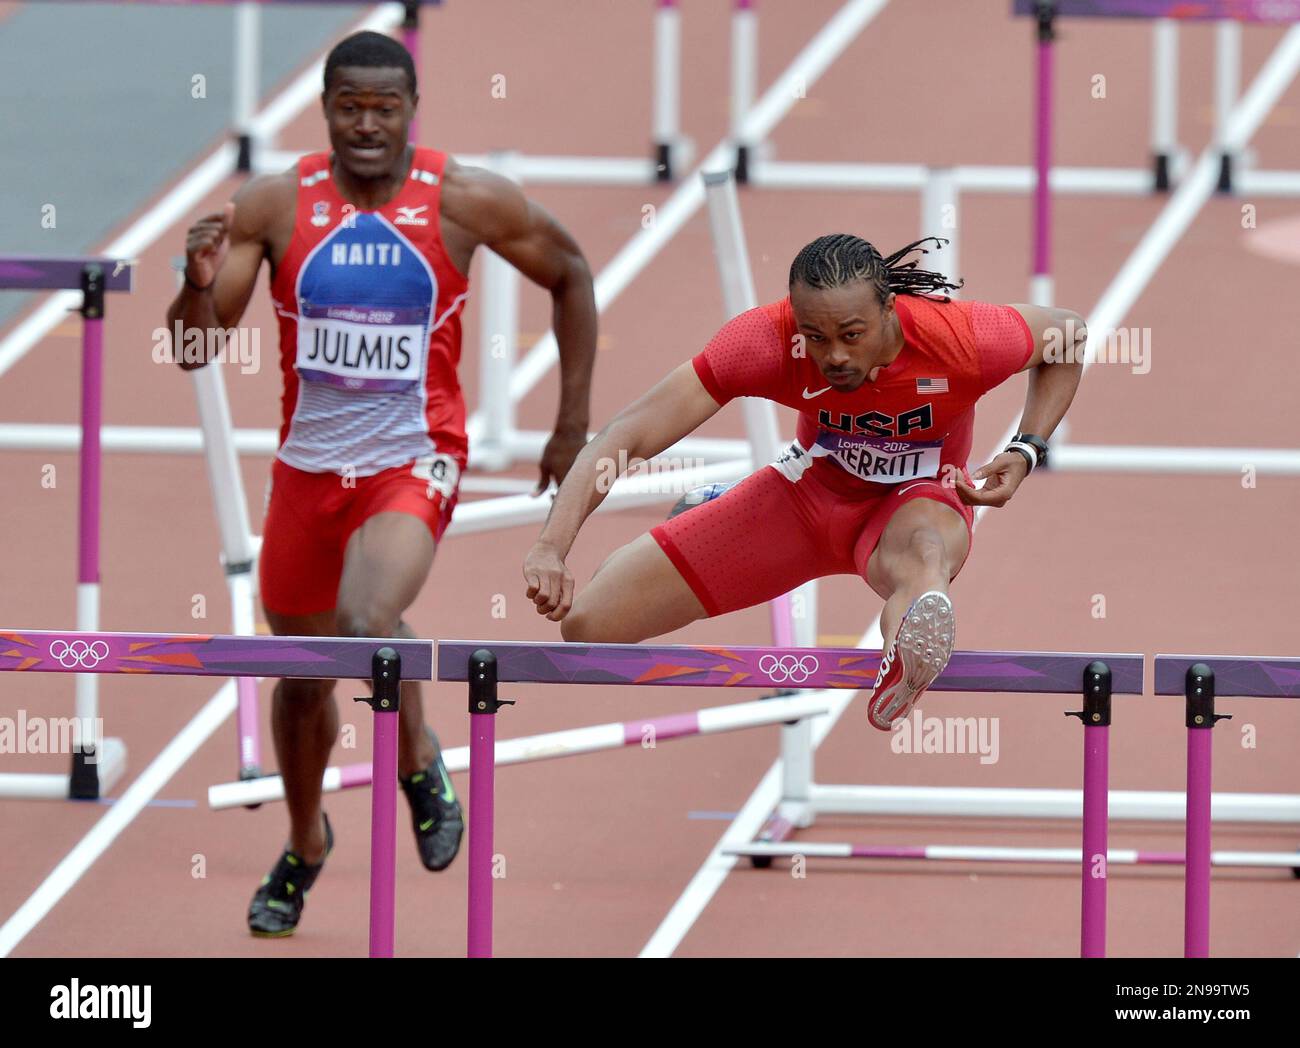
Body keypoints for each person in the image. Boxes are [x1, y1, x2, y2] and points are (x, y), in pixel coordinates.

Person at [166, 31, 597, 936]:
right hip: (306, 472)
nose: (367, 124)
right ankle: (306, 841)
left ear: (410, 109)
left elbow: (571, 273)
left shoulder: (462, 199)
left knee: (366, 623)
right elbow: (196, 348)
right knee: (304, 679)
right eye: (349, 107)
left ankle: (414, 761)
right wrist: (196, 289)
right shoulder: (278, 204)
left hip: (414, 457)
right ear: (325, 111)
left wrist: (569, 425)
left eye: (385, 107)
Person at [523, 233, 1083, 730]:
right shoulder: (765, 340)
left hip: (918, 499)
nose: (833, 355)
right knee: (590, 624)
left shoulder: (959, 338)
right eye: (815, 336)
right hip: (806, 498)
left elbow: (1068, 336)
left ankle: (906, 661)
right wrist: (552, 545)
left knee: (924, 559)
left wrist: (1026, 446)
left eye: (851, 333)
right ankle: (708, 512)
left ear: (891, 309)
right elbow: (629, 434)